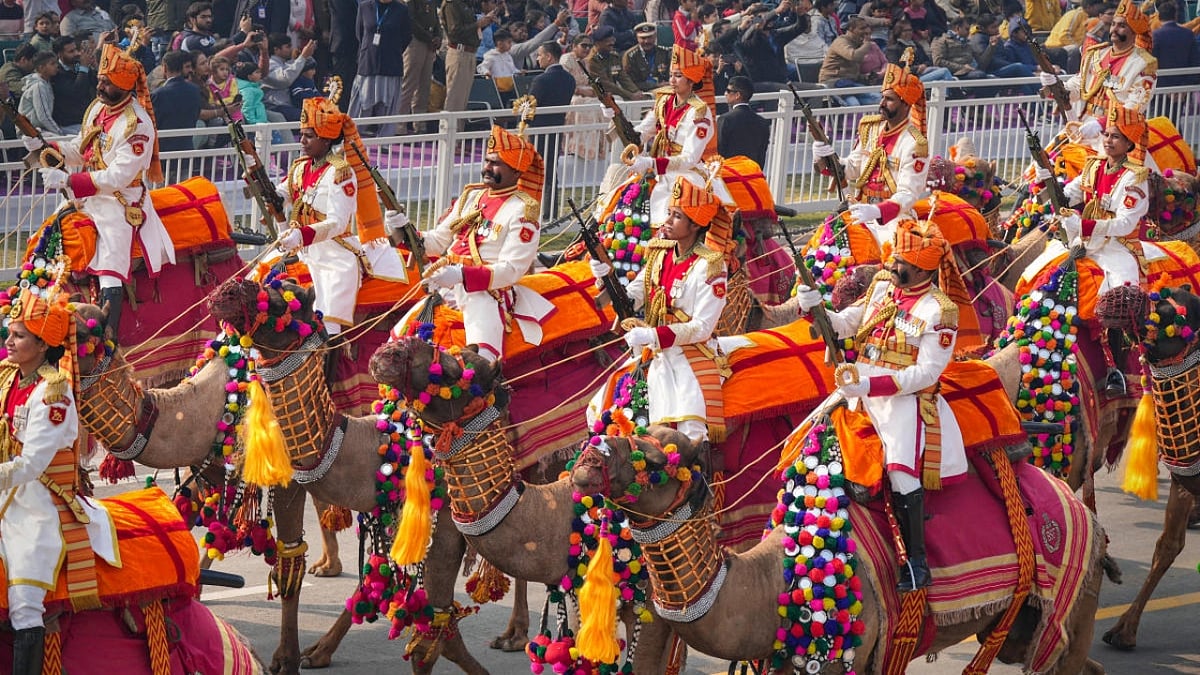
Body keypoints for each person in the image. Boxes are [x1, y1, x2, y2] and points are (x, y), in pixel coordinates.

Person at [794, 218, 973, 591]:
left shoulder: (939, 311)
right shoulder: (881, 287)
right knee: (805, 433)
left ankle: (916, 563)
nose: (890, 265)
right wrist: (818, 310)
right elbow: (848, 323)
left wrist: (871, 384)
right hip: (858, 385)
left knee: (900, 472)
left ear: (922, 267)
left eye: (899, 262)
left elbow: (925, 374)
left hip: (902, 401)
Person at [0, 279, 119, 675]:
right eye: (9, 333)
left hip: (39, 508)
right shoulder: (9, 378)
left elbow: (31, 466)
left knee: (24, 602)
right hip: (7, 497)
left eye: (19, 336)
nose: (10, 341)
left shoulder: (55, 396)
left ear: (43, 346)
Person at [31, 41, 172, 342]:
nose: (99, 85)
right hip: (90, 195)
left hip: (120, 202)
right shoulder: (99, 107)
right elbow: (81, 149)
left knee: (110, 264)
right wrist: (48, 146)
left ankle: (108, 338)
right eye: (99, 79)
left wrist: (69, 181)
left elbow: (119, 176)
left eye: (106, 82)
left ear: (123, 85)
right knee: (49, 233)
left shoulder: (137, 124)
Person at [586, 175, 732, 444]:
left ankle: (700, 480)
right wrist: (604, 277)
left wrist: (653, 336)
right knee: (598, 408)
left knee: (691, 429)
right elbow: (634, 296)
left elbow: (702, 328)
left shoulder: (711, 267)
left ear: (696, 224)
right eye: (668, 213)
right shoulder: (660, 253)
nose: (666, 221)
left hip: (690, 353)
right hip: (653, 348)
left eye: (676, 216)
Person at [393, 124, 553, 363]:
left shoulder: (523, 209)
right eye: (487, 161)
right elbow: (436, 241)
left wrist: (462, 275)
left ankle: (490, 400)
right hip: (445, 287)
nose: (487, 168)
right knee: (397, 340)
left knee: (480, 360)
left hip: (485, 294)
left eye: (496, 163)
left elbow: (512, 269)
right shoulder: (472, 196)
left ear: (517, 171)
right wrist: (399, 227)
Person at [1028, 102, 1152, 392]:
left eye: (1116, 137)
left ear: (1129, 143)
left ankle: (1117, 370)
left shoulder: (1136, 179)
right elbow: (1067, 195)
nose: (1108, 140)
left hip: (1118, 248)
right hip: (1084, 241)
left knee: (1119, 299)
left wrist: (1082, 226)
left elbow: (1123, 224)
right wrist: (1047, 177)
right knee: (1041, 269)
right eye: (1107, 135)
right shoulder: (1094, 165)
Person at [273, 95, 408, 335]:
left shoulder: (341, 173)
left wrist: (302, 235)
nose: (302, 141)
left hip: (333, 253)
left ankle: (330, 353)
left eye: (309, 136)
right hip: (299, 248)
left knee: (328, 316)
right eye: (301, 134)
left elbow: (336, 223)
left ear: (326, 139)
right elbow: (284, 192)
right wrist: (270, 193)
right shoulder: (300, 167)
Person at [813, 61, 929, 248]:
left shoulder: (915, 143)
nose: (882, 103)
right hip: (858, 209)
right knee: (822, 247)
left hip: (894, 218)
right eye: (882, 98)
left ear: (906, 104)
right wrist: (823, 155)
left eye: (889, 99)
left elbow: (908, 194)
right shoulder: (871, 128)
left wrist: (876, 211)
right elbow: (850, 169)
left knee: (891, 255)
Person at [625, 44, 727, 225]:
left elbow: (689, 158)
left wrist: (651, 162)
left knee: (668, 214)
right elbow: (640, 134)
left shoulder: (699, 113)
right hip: (657, 169)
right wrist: (617, 118)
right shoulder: (664, 100)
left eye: (678, 76)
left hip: (685, 174)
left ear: (692, 81)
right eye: (671, 75)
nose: (672, 80)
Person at [1040, 0, 1157, 138]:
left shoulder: (1144, 64)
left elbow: (1135, 107)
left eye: (1122, 26)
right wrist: (1054, 84)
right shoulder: (1096, 55)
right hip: (1081, 125)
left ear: (1134, 31)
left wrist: (1101, 123)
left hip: (1117, 134)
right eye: (1113, 24)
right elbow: (1077, 87)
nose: (1114, 29)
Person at [347, 0, 411, 137]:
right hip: (368, 62)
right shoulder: (365, 6)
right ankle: (352, 138)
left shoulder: (401, 10)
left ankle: (385, 139)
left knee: (388, 107)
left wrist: (393, 49)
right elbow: (359, 33)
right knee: (361, 103)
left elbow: (406, 37)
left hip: (391, 64)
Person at [530, 41, 575, 219]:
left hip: (538, 131)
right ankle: (550, 213)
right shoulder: (569, 79)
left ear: (549, 56)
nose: (537, 58)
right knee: (550, 172)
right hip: (556, 131)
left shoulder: (541, 80)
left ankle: (537, 212)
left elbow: (530, 106)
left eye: (540, 54)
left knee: (536, 172)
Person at [441, 0, 498, 131]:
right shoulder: (452, 4)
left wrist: (484, 23)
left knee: (463, 99)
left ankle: (457, 136)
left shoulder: (466, 4)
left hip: (470, 52)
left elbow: (470, 30)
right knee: (454, 99)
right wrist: (478, 23)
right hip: (459, 52)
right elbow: (455, 31)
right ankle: (448, 137)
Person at [818, 16, 883, 105]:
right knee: (855, 103)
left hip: (849, 83)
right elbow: (853, 56)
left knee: (877, 100)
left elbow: (852, 72)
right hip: (833, 82)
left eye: (867, 28)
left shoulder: (858, 44)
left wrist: (866, 77)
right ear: (851, 29)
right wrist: (867, 43)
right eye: (862, 28)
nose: (866, 31)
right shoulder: (841, 41)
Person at [397, 0, 440, 132]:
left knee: (424, 86)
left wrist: (438, 36)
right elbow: (411, 20)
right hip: (415, 41)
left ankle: (420, 124)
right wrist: (429, 37)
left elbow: (436, 19)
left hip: (430, 43)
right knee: (408, 85)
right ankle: (399, 125)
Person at [151, 49, 203, 153]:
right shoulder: (195, 90)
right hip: (186, 151)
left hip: (162, 155)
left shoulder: (158, 94)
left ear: (165, 67)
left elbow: (152, 124)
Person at [716, 75, 769, 168]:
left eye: (728, 91)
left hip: (729, 175)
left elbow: (719, 152)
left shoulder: (725, 119)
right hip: (752, 176)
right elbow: (761, 155)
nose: (725, 93)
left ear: (737, 95)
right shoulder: (762, 122)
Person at [50, 35, 96, 135]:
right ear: (59, 54)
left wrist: (93, 66)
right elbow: (77, 92)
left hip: (87, 119)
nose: (76, 54)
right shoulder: (56, 73)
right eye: (71, 52)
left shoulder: (79, 66)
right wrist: (84, 67)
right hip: (69, 125)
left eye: (75, 49)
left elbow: (97, 85)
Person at [586, 24, 644, 100]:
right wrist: (630, 95)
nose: (611, 43)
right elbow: (605, 84)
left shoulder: (614, 56)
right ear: (597, 43)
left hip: (614, 93)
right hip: (596, 95)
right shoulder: (592, 60)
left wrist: (636, 91)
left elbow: (623, 77)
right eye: (607, 41)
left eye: (612, 40)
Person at [1151, 1, 1200, 86]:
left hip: (1160, 93)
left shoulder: (1154, 36)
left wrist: (1166, 88)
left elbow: (1151, 66)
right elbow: (1195, 63)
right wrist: (1184, 87)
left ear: (1158, 17)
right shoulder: (1189, 34)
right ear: (1175, 15)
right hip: (1186, 93)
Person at [17, 52, 61, 135]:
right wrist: (60, 133)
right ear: (41, 68)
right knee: (65, 141)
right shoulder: (38, 86)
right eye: (52, 64)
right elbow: (43, 116)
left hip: (41, 129)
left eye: (56, 63)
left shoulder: (46, 83)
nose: (56, 66)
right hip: (29, 132)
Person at [623, 21, 671, 91]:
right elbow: (630, 83)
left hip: (664, 90)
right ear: (637, 38)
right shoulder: (630, 56)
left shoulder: (665, 53)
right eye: (643, 38)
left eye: (650, 37)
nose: (647, 41)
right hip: (640, 93)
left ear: (655, 36)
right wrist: (655, 85)